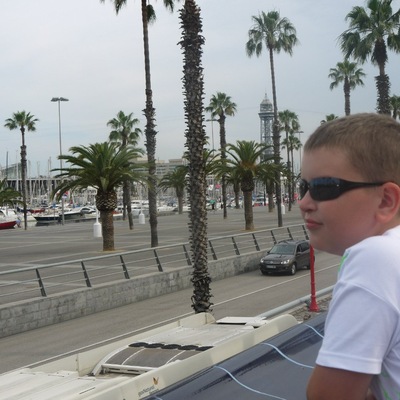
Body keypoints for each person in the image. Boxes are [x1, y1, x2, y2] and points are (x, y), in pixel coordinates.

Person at [299, 113, 400, 400]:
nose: (304, 203)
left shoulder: (375, 258)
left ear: (386, 201)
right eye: (303, 187)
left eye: (324, 187)